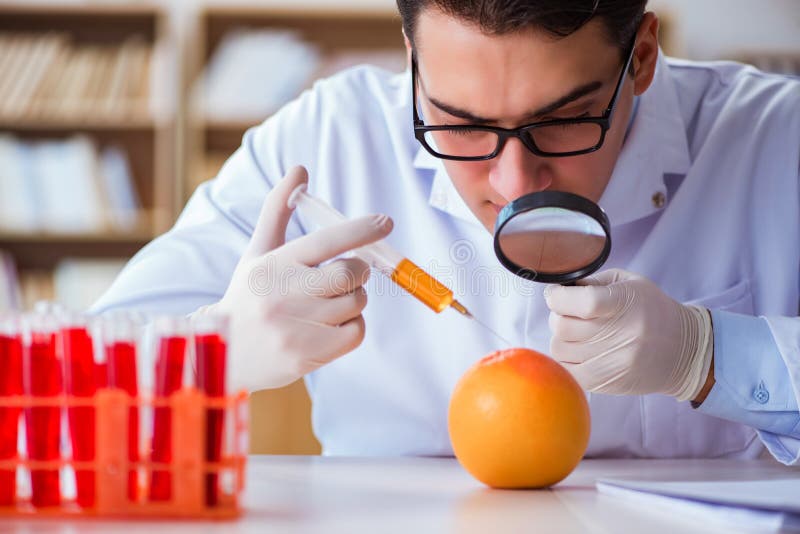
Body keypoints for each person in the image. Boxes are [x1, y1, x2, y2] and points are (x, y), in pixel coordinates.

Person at [92, 0, 800, 463]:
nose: (514, 185)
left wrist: (712, 357)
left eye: (563, 121)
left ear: (641, 58)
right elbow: (67, 391)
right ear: (411, 58)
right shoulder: (323, 141)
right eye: (460, 124)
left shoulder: (779, 138)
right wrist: (212, 353)